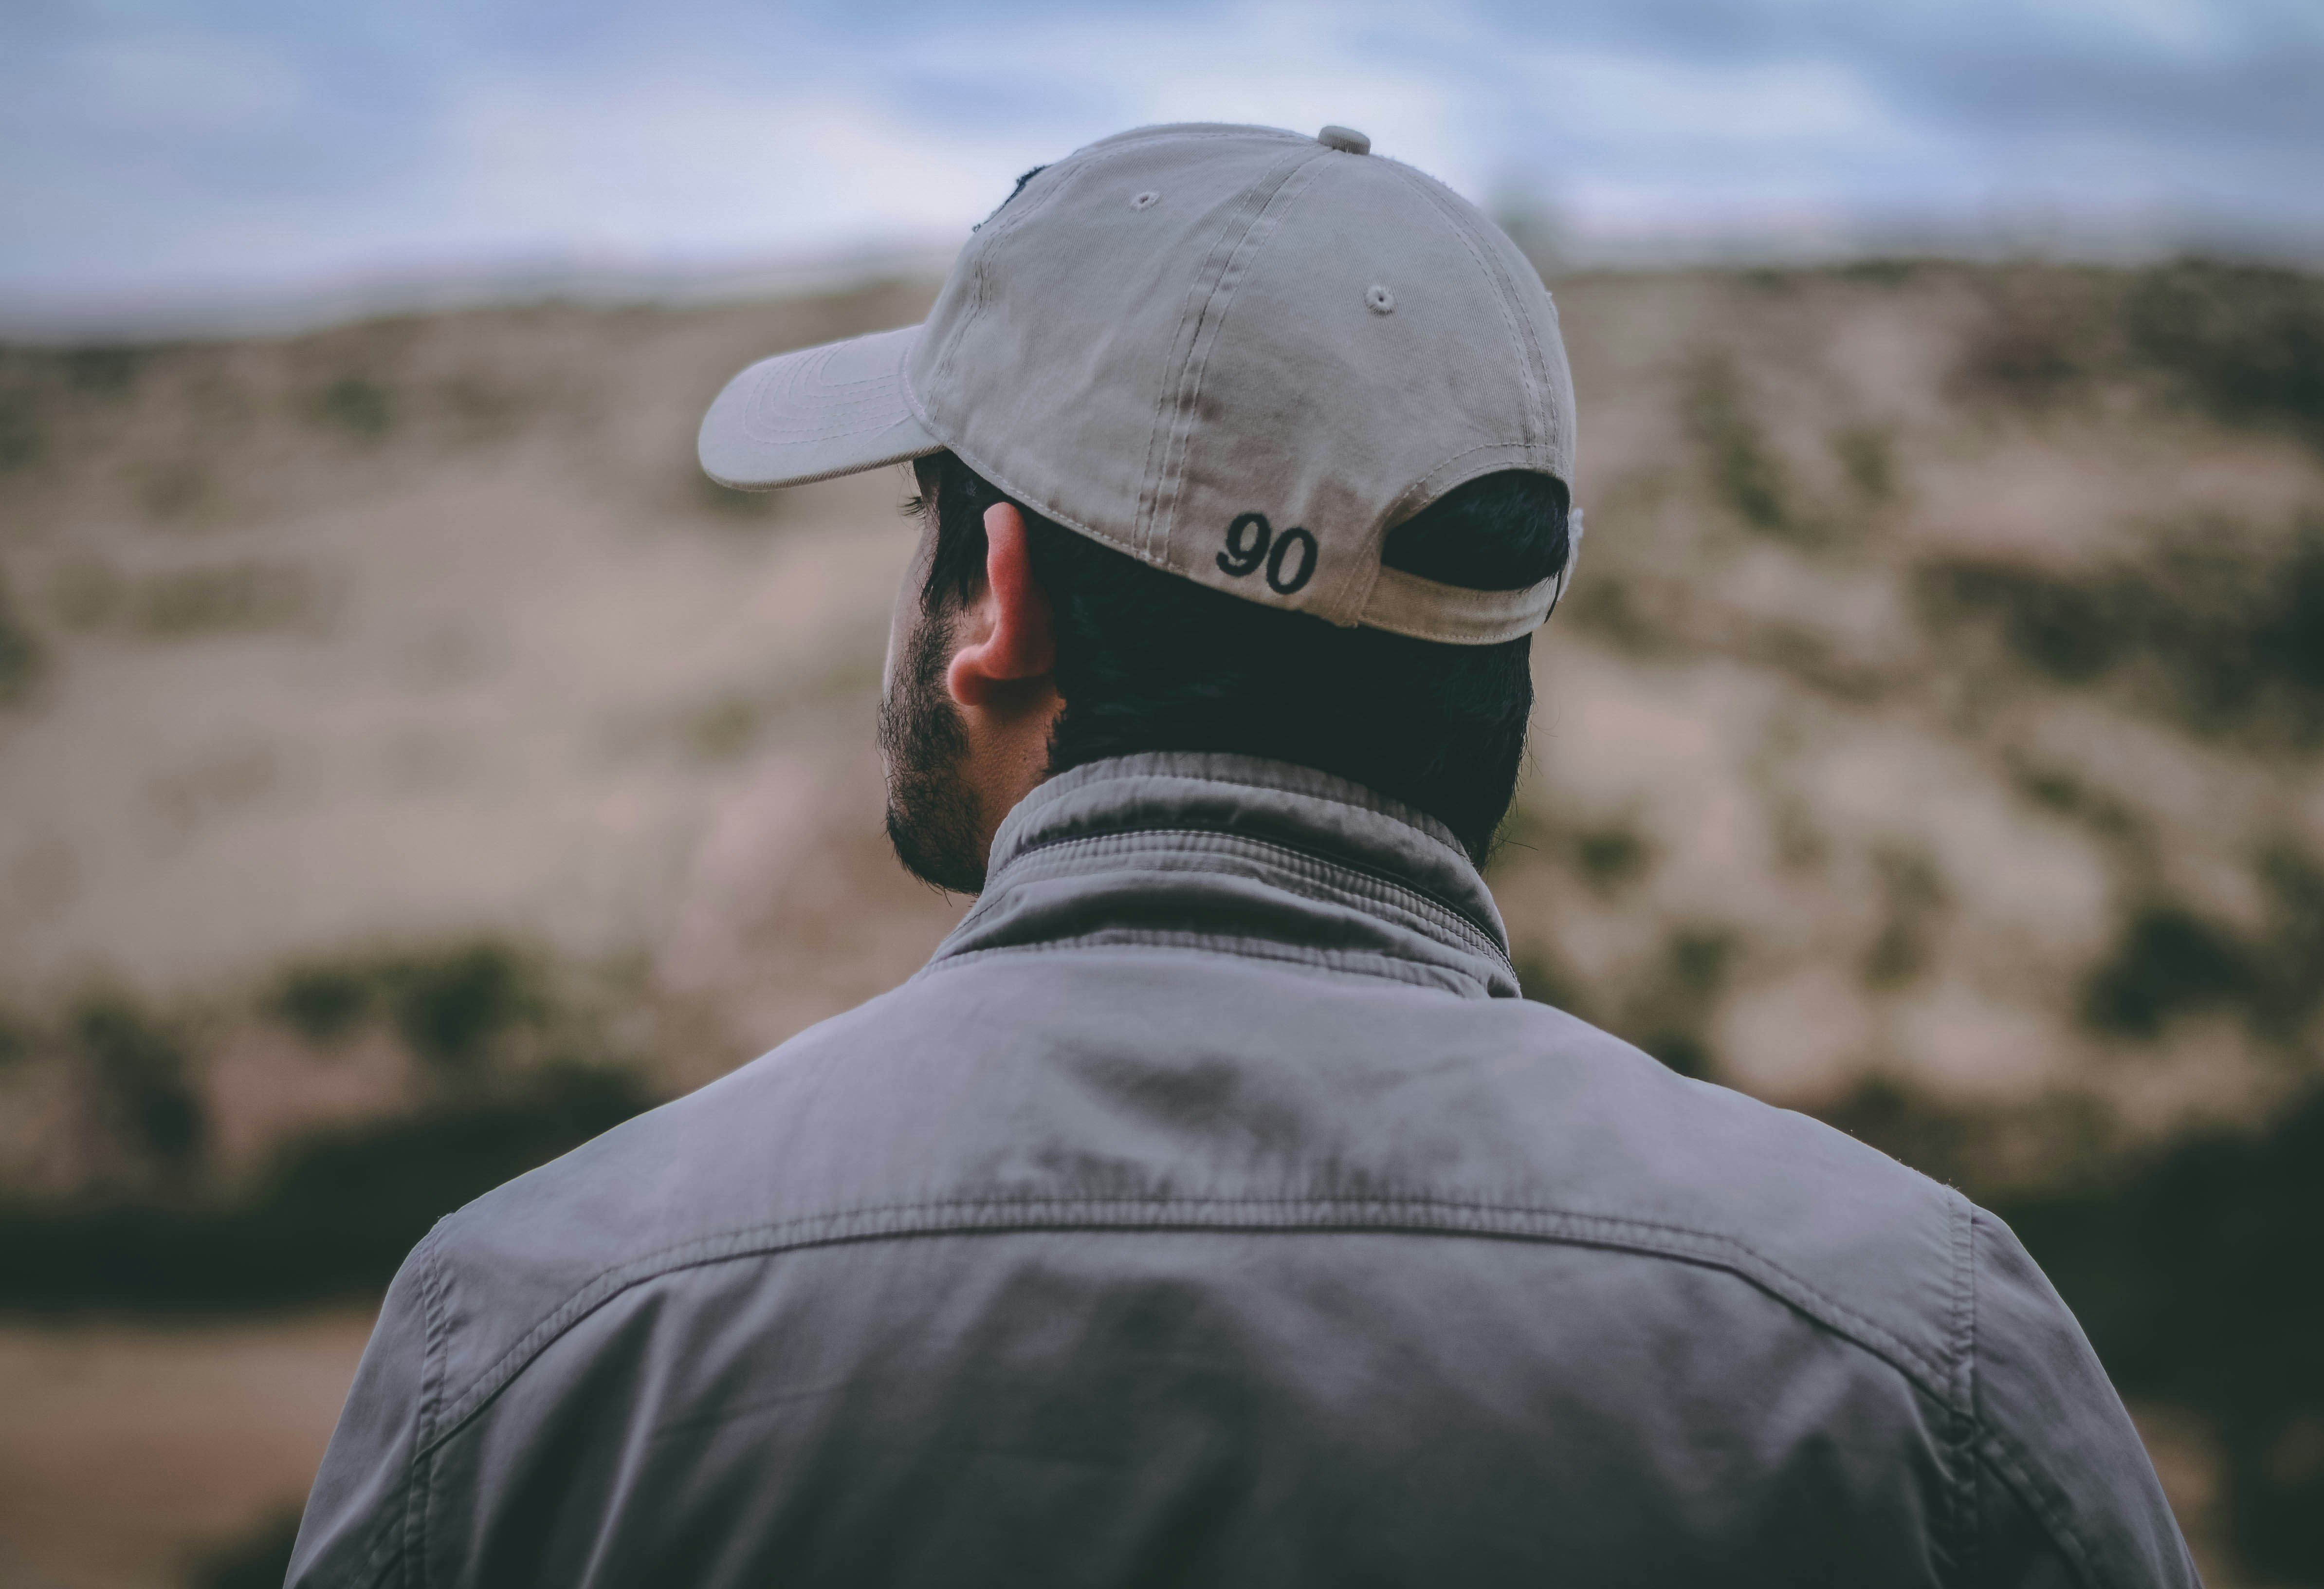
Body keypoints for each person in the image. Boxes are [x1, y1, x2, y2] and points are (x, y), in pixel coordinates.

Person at [290, 122, 2195, 1588]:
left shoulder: (538, 1341)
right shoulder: (1909, 1360)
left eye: (920, 510)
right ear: (1501, 633)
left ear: (1001, 593)